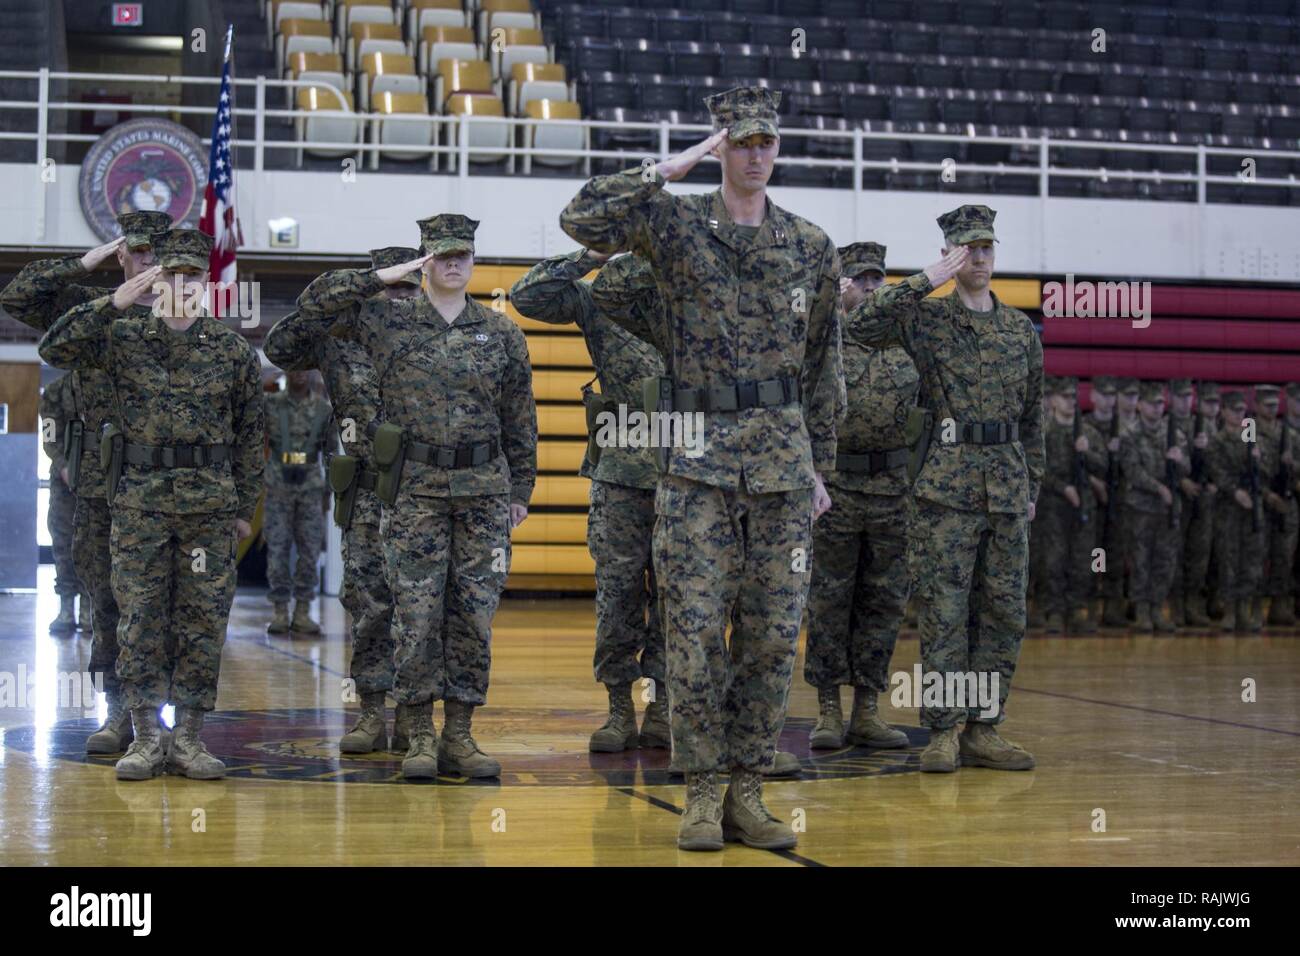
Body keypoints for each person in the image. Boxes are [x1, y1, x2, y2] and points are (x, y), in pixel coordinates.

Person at [560, 86, 844, 851]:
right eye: (740, 141)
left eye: (765, 142)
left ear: (777, 149)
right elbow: (583, 218)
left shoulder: (811, 246)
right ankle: (702, 791)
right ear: (724, 146)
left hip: (783, 466)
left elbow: (824, 366)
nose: (754, 155)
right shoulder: (677, 226)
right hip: (694, 462)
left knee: (772, 635)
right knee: (690, 634)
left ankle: (749, 790)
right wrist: (675, 164)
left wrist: (821, 462)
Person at [288, 215, 537, 781]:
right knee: (416, 617)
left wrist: (520, 490)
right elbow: (312, 306)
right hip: (414, 492)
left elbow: (520, 419)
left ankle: (460, 735)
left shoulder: (500, 334)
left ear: (473, 260)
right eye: (442, 254)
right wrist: (379, 276)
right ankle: (418, 734)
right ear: (424, 261)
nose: (453, 263)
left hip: (482, 492)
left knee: (472, 617)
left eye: (463, 254)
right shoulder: (386, 322)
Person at [39, 228, 264, 780]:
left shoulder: (232, 350)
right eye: (172, 273)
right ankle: (143, 737)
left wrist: (243, 507)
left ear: (207, 281)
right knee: (137, 618)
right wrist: (112, 300)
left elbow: (251, 434)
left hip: (209, 505)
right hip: (139, 502)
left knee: (203, 621)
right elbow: (54, 348)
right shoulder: (122, 336)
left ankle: (187, 738)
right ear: (154, 278)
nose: (183, 283)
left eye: (193, 274)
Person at [844, 203, 1043, 774]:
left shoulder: (1019, 330)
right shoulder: (928, 320)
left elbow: (1033, 418)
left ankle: (984, 727)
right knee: (945, 614)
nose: (978, 258)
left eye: (985, 248)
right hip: (946, 491)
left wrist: (1033, 481)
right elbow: (862, 326)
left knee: (1003, 613)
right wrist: (925, 281)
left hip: (1006, 487)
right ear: (949, 256)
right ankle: (943, 731)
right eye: (966, 249)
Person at [0, 209, 174, 754]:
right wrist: (84, 263)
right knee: (107, 601)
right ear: (121, 254)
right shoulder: (89, 311)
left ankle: (158, 716)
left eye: (155, 252)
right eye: (137, 251)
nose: (147, 261)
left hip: (170, 488)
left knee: (164, 605)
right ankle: (117, 712)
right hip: (102, 486)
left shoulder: (186, 316)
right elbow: (18, 298)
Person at [510, 249, 671, 753]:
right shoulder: (599, 298)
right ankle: (619, 708)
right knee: (618, 593)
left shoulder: (690, 300)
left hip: (686, 470)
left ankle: (665, 704)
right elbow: (527, 297)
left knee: (680, 594)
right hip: (620, 470)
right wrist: (593, 254)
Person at [262, 247, 413, 754]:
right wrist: (364, 282)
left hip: (427, 492)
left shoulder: (441, 333)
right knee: (368, 606)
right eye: (389, 284)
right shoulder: (338, 335)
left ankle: (417, 720)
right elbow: (281, 343)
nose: (398, 295)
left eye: (407, 285)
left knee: (424, 611)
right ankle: (371, 714)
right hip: (369, 495)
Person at [804, 241, 913, 750]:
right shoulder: (827, 337)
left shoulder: (906, 339)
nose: (870, 289)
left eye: (877, 280)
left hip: (893, 489)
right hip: (838, 486)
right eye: (860, 280)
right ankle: (829, 707)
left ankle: (868, 706)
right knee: (829, 597)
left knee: (884, 599)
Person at [263, 369, 332, 635]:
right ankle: (280, 611)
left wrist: (328, 495)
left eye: (305, 368)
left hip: (311, 486)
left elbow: (331, 453)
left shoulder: (324, 410)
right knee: (278, 549)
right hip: (278, 484)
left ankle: (302, 610)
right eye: (294, 367)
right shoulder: (270, 404)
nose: (300, 374)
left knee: (310, 550)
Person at [1037, 376, 1107, 634]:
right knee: (1054, 560)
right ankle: (1055, 610)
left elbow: (1104, 467)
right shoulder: (1043, 431)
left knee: (1082, 559)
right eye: (1064, 397)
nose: (1070, 402)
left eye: (1073, 398)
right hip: (1054, 506)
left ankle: (1076, 609)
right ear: (1053, 399)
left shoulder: (1087, 433)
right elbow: (1036, 469)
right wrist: (1062, 487)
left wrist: (1086, 452)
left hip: (1084, 507)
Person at [1118, 382, 1189, 633]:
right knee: (1140, 560)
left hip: (1167, 509)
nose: (1157, 408)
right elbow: (1133, 471)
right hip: (1141, 507)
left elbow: (1186, 469)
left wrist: (1179, 461)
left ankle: (1157, 607)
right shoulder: (1130, 434)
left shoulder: (1175, 435)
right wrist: (1159, 488)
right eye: (1152, 403)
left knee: (1165, 560)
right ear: (1140, 405)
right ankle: (1141, 611)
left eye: (1160, 403)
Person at [1205, 391, 1265, 632]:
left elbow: (1267, 471)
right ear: (1224, 411)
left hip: (1251, 508)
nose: (1239, 415)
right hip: (1228, 507)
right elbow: (1217, 471)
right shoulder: (1218, 440)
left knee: (1250, 560)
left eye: (1242, 410)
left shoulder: (1251, 438)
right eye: (1234, 410)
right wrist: (1233, 491)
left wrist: (1259, 459)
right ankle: (1229, 609)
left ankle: (1244, 608)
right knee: (1229, 558)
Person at [39, 372, 85, 634]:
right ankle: (66, 608)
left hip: (101, 481)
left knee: (95, 545)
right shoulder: (54, 393)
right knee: (63, 541)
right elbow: (49, 437)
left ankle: (90, 609)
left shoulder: (105, 386)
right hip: (64, 482)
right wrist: (63, 466)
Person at [1255, 384, 1299, 626]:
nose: (1271, 410)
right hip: (1260, 499)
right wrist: (1265, 493)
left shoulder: (1287, 433)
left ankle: (1280, 605)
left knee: (1283, 556)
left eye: (1275, 405)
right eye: (1267, 405)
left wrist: (1291, 465)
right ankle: (1253, 606)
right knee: (1257, 554)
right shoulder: (1248, 427)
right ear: (1257, 405)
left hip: (1285, 501)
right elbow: (1242, 462)